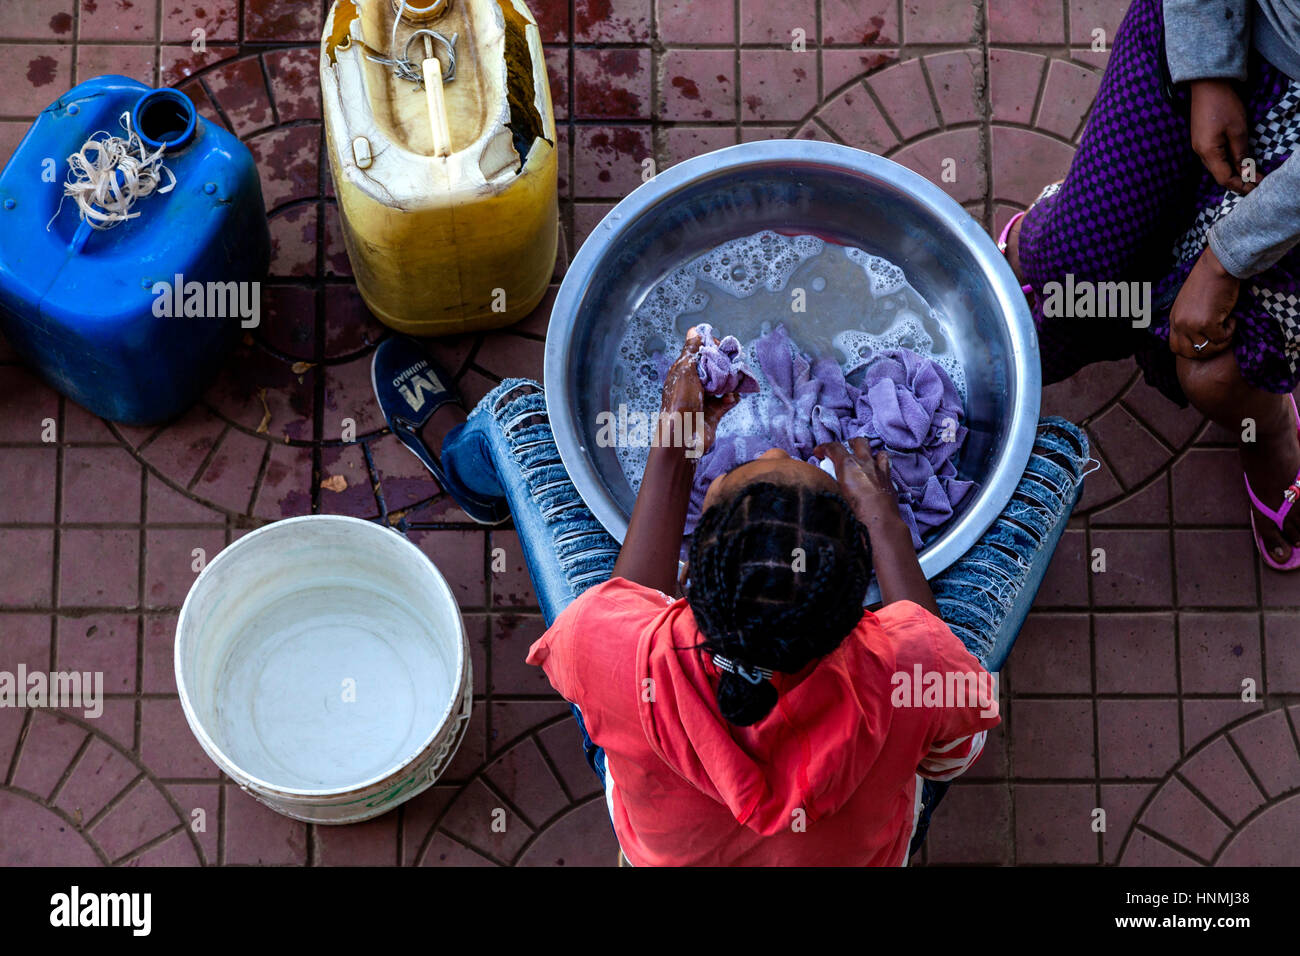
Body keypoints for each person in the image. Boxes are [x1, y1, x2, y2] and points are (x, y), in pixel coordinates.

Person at [523, 331, 1000, 866]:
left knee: (516, 411)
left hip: (658, 839)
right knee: (1051, 457)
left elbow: (626, 602)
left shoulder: (608, 646)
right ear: (864, 611)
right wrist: (884, 522)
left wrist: (676, 444)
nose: (774, 448)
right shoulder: (912, 665)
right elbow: (951, 760)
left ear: (687, 581)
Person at [1000, 0, 1300, 569]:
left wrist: (1225, 261)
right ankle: (1054, 231)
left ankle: (1273, 424)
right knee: (1074, 275)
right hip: (1225, 22)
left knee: (1214, 371)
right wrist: (1207, 65)